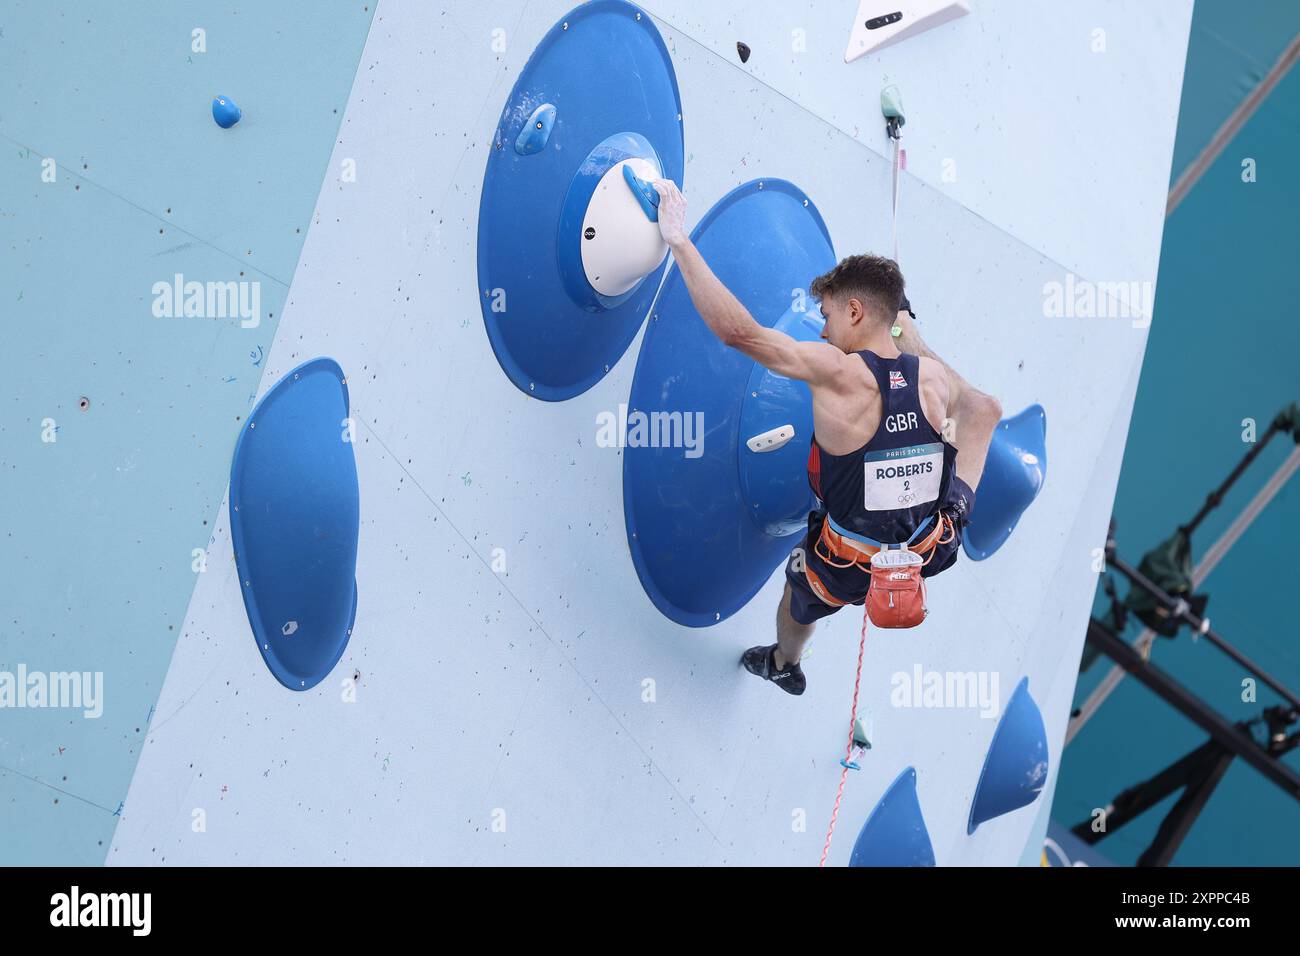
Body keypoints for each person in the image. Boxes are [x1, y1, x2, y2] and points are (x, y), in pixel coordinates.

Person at [652, 179, 1002, 696]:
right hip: (934, 543)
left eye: (828, 315)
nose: (822, 331)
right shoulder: (932, 378)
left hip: (848, 561)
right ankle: (951, 518)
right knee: (982, 412)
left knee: (801, 596)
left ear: (855, 311)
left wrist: (679, 241)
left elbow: (739, 334)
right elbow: (981, 408)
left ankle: (784, 663)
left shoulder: (836, 371)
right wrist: (902, 328)